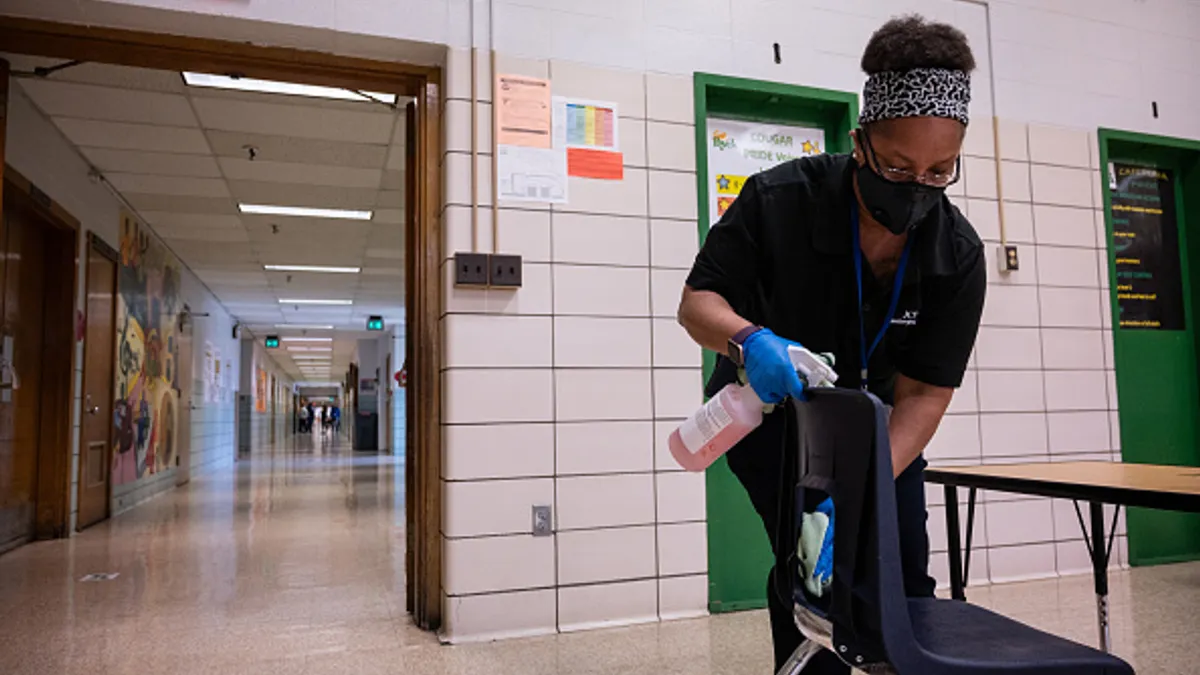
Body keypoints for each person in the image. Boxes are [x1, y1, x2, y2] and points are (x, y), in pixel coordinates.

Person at [677, 15, 986, 674]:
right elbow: (697, 304)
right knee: (810, 572)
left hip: (879, 427)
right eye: (897, 166)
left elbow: (927, 393)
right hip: (773, 416)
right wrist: (748, 339)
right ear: (861, 142)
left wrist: (864, 484)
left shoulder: (956, 254)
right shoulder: (779, 199)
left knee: (899, 576)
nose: (916, 187)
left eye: (939, 171)